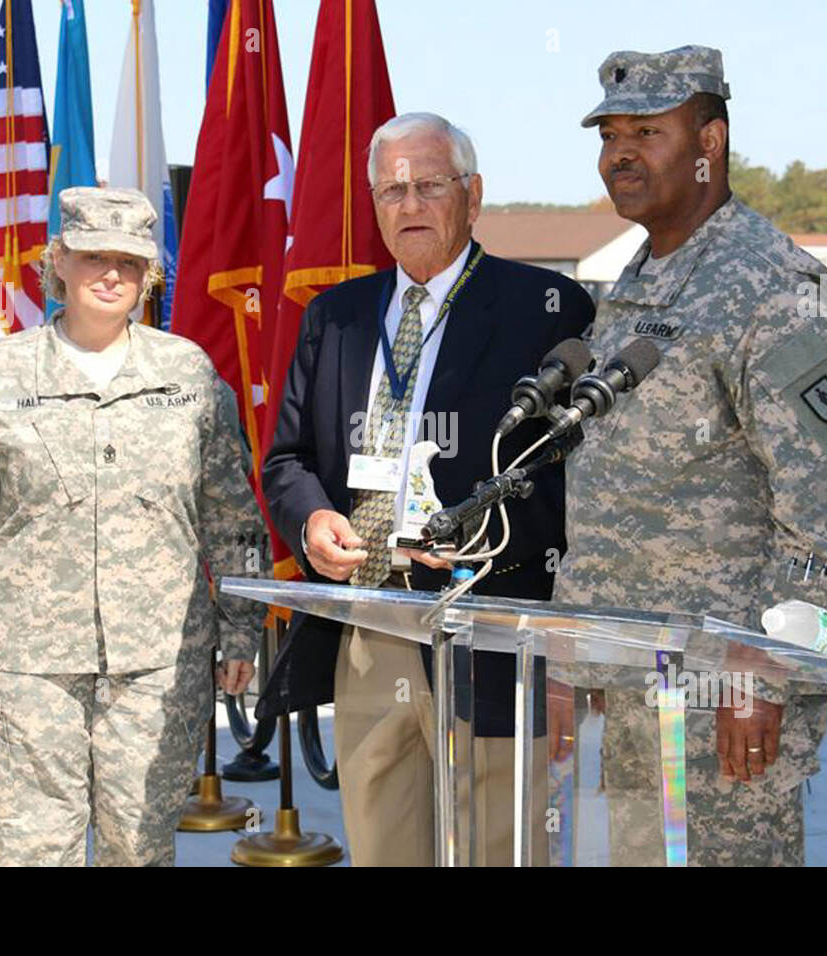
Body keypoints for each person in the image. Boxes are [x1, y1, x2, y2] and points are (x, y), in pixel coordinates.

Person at [551, 46, 827, 866]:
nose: (620, 152)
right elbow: (615, 489)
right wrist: (569, 650)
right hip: (633, 685)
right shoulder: (639, 282)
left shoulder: (774, 287)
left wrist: (760, 676)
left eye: (648, 132)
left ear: (711, 142)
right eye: (610, 134)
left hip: (722, 699)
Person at [0, 186, 268, 866]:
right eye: (94, 256)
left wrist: (241, 625)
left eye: (130, 261)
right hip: (25, 670)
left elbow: (231, 514)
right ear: (57, 260)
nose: (113, 274)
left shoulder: (188, 376)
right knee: (33, 854)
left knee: (139, 848)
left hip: (157, 667)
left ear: (151, 273)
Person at [257, 113, 595, 865]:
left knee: (497, 849)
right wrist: (312, 519)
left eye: (429, 185)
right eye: (391, 189)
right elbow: (287, 461)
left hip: (491, 628)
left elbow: (570, 475)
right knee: (383, 845)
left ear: (471, 197)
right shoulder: (335, 316)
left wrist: (474, 541)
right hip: (370, 625)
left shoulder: (543, 308)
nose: (409, 204)